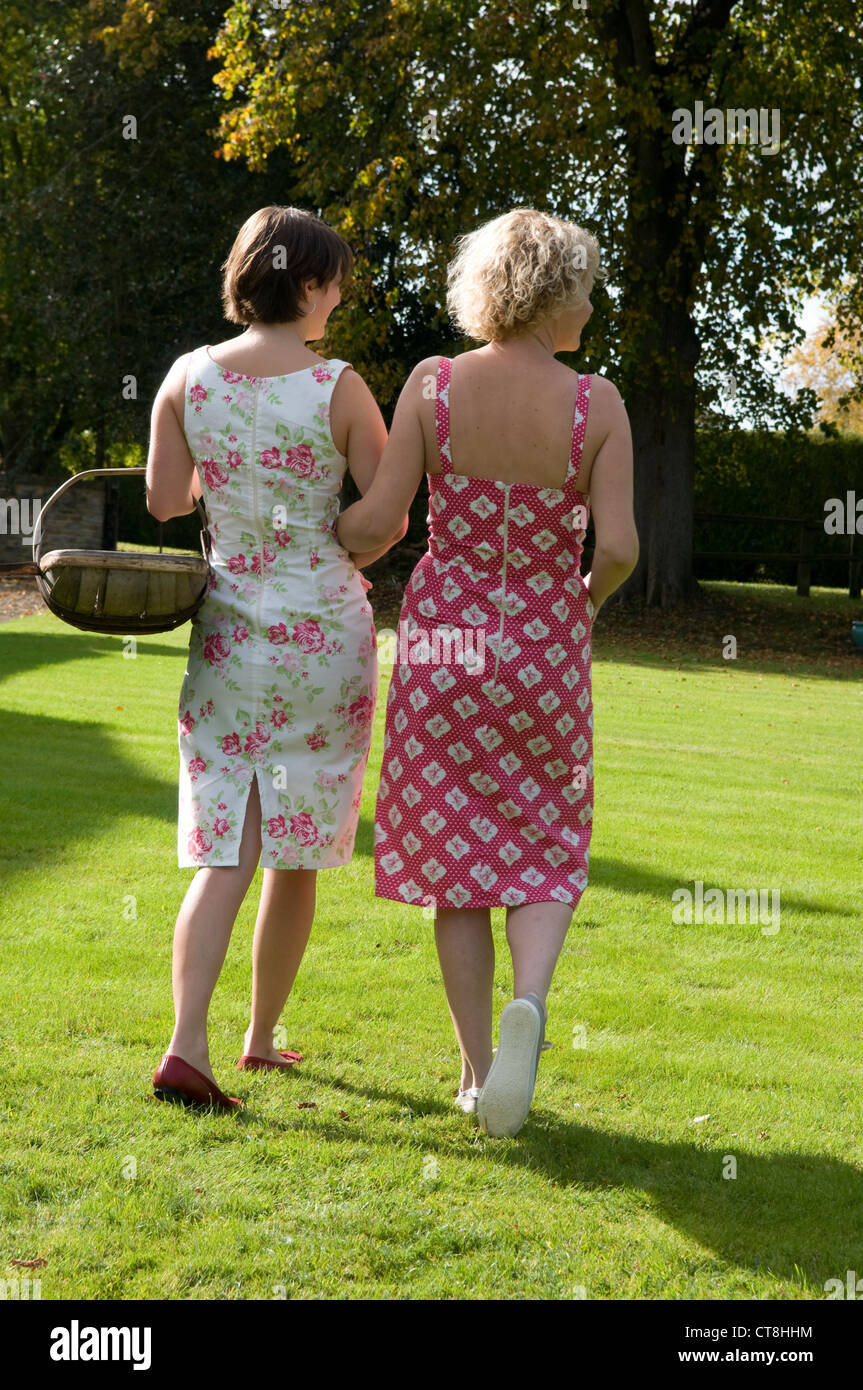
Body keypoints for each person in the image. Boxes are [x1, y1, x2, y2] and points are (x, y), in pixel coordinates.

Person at [337, 207, 638, 1137]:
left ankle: (475, 1074)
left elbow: (380, 521)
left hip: (443, 649)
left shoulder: (433, 384)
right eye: (585, 284)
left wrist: (312, 537)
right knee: (545, 838)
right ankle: (532, 1006)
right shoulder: (598, 404)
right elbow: (620, 547)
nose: (592, 300)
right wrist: (578, 603)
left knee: (454, 860)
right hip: (544, 648)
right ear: (554, 294)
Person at [145, 205, 405, 1110]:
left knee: (226, 841)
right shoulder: (339, 386)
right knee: (299, 848)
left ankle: (191, 1043)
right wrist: (344, 547)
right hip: (322, 633)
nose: (336, 296)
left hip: (225, 631)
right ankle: (258, 1038)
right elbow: (387, 513)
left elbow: (166, 502)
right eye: (332, 280)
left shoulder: (185, 375)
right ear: (305, 283)